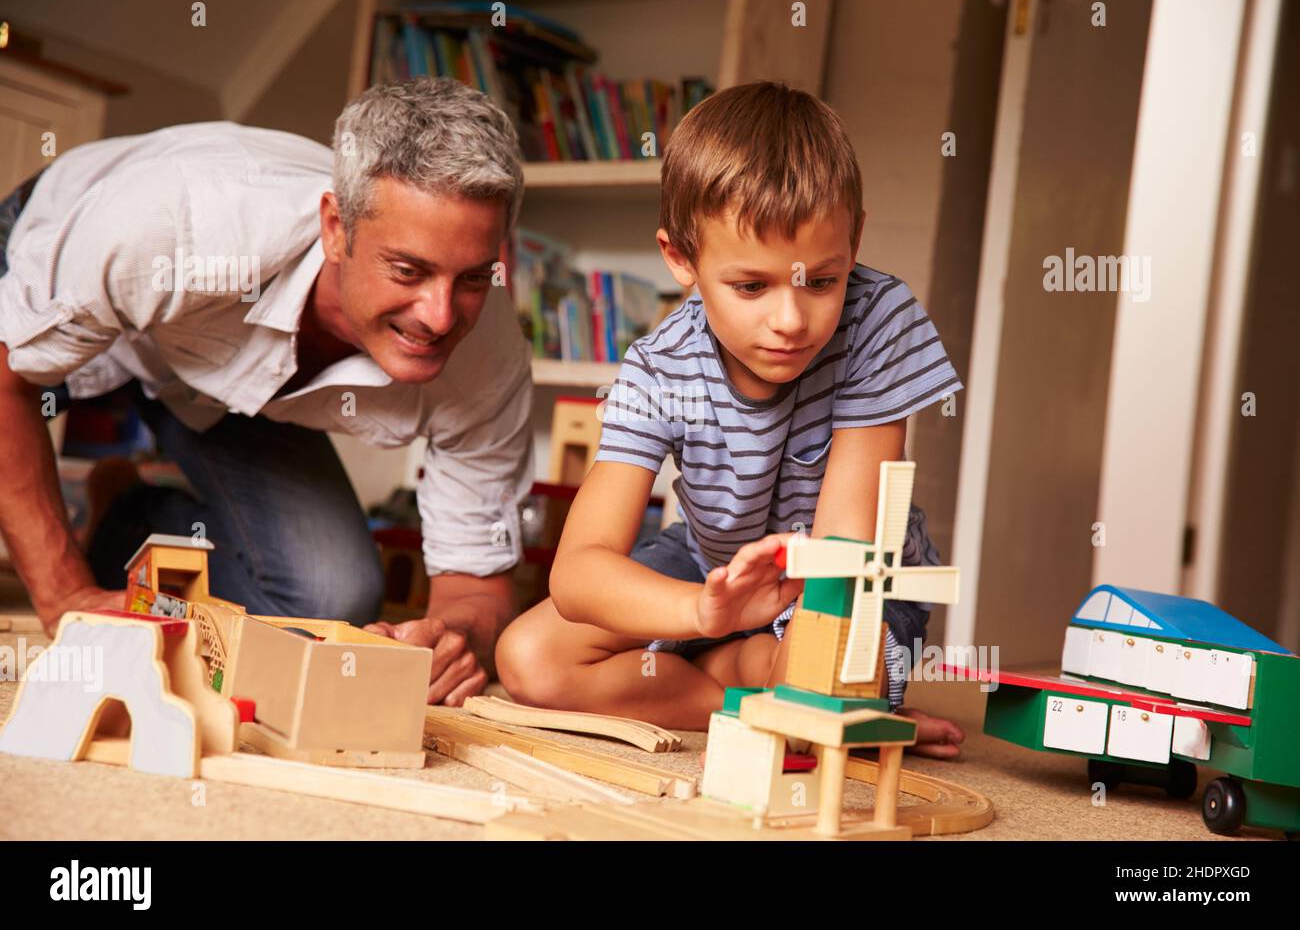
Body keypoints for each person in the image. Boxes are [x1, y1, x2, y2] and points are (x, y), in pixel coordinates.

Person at [0, 77, 532, 706]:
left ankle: (124, 513)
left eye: (471, 277)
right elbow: (9, 381)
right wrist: (65, 599)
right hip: (52, 256)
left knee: (330, 597)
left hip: (225, 376)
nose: (441, 318)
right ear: (336, 227)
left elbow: (476, 581)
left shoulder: (490, 357)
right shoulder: (172, 225)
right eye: (408, 271)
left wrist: (458, 636)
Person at [496, 81, 966, 756]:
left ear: (854, 238)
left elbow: (844, 547)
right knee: (529, 658)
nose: (790, 321)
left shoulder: (879, 321)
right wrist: (702, 611)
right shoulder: (657, 366)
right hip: (711, 569)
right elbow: (579, 571)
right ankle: (740, 692)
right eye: (751, 286)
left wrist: (810, 673)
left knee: (825, 672)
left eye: (822, 281)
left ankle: (762, 684)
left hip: (840, 587)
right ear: (681, 258)